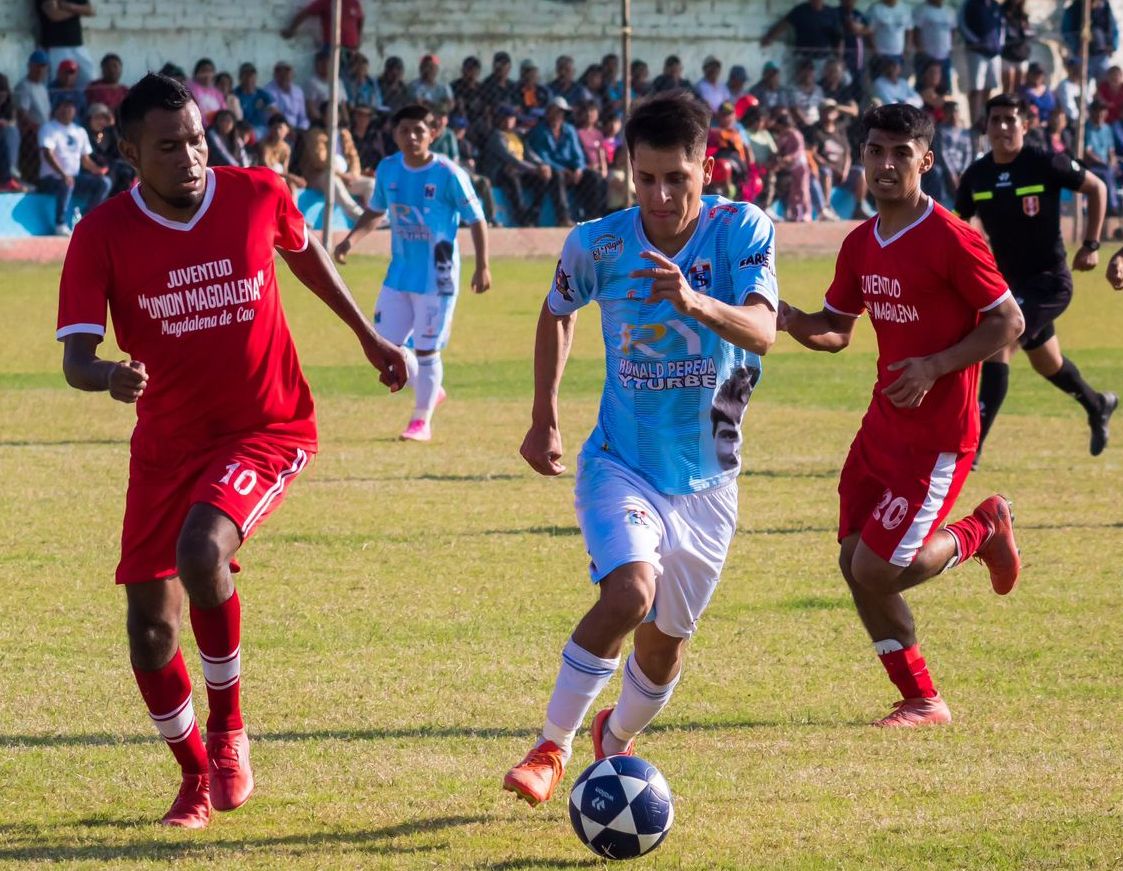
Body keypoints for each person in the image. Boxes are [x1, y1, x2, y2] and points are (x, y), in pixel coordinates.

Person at [55, 72, 406, 829]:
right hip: (166, 445)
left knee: (201, 549)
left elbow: (305, 256)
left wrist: (368, 336)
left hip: (266, 426)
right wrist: (108, 375)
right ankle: (192, 776)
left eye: (196, 140)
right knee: (149, 628)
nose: (189, 157)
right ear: (128, 153)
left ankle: (228, 730)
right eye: (168, 146)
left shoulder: (254, 192)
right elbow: (76, 356)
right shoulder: (100, 235)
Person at [501, 90, 778, 806]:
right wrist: (543, 415)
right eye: (644, 177)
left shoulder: (741, 229)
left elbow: (761, 330)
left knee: (663, 649)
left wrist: (692, 303)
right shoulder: (598, 242)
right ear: (627, 168)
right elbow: (556, 311)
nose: (658, 195)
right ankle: (550, 746)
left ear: (705, 167)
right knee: (628, 592)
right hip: (619, 463)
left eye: (674, 179)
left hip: (710, 481)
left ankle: (613, 741)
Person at [779, 103, 1026, 728]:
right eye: (875, 152)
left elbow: (1008, 321)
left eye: (900, 153)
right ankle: (921, 699)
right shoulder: (861, 242)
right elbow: (837, 330)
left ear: (926, 160)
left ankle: (981, 531)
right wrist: (783, 317)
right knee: (853, 562)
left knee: (878, 567)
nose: (886, 165)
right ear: (861, 157)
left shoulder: (952, 237)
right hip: (881, 428)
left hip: (939, 436)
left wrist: (934, 365)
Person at [956, 93, 1117, 461]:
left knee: (999, 342)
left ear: (1025, 125)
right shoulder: (976, 176)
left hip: (1050, 281)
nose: (1002, 127)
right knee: (1048, 363)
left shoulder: (1044, 162)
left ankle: (973, 447)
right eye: (995, 120)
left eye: (1010, 120)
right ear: (986, 127)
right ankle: (1097, 404)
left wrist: (1091, 244)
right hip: (1009, 287)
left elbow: (1097, 187)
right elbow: (957, 224)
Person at [333, 104, 491, 442]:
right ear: (395, 134)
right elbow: (375, 211)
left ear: (433, 134)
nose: (412, 137)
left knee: (426, 349)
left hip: (438, 277)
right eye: (404, 131)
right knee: (387, 344)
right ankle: (431, 389)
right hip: (399, 274)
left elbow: (476, 218)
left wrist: (482, 265)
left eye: (419, 130)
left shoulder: (448, 174)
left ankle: (422, 420)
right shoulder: (389, 169)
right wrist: (349, 241)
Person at [480, 103, 561, 227]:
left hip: (523, 170)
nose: (508, 121)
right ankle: (521, 215)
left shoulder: (518, 135)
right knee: (511, 172)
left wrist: (542, 165)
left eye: (511, 118)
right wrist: (534, 169)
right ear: (498, 119)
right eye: (504, 118)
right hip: (501, 173)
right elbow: (511, 159)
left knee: (549, 175)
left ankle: (534, 213)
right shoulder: (496, 136)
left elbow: (529, 154)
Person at [37, 97, 110, 235]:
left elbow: (85, 159)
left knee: (104, 183)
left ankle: (85, 220)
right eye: (64, 106)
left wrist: (97, 170)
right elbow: (47, 153)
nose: (68, 109)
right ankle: (60, 224)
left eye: (71, 106)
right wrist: (63, 174)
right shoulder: (48, 128)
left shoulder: (80, 131)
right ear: (57, 109)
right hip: (50, 179)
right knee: (67, 182)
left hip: (74, 178)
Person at [527, 96, 605, 222]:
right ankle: (563, 217)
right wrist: (563, 170)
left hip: (572, 170)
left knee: (593, 176)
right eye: (555, 111)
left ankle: (593, 217)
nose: (558, 115)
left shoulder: (569, 130)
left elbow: (577, 154)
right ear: (548, 112)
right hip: (554, 170)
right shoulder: (539, 131)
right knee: (557, 175)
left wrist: (579, 169)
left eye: (561, 112)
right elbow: (543, 157)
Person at [959, 0, 1006, 129]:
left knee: (990, 86)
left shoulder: (995, 5)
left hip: (994, 52)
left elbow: (1001, 26)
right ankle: (974, 121)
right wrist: (975, 41)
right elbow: (962, 24)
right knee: (976, 88)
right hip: (977, 51)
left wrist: (999, 44)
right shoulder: (970, 4)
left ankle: (985, 118)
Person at [760, 0, 843, 66]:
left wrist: (840, 58)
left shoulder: (832, 13)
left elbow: (838, 37)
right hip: (802, 58)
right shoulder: (800, 10)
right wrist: (769, 37)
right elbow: (784, 24)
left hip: (823, 58)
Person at [36, 0, 96, 87]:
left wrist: (68, 6)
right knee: (58, 85)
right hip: (55, 46)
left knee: (90, 81)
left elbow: (91, 10)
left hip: (77, 45)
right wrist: (80, 11)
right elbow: (54, 14)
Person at [281, 0, 364, 58]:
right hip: (332, 48)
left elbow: (361, 19)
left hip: (351, 50)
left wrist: (358, 39)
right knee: (334, 79)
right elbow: (305, 13)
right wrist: (291, 29)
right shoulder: (327, 2)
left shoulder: (354, 2)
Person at [912, 0, 957, 89]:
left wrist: (951, 45)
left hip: (944, 56)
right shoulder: (921, 10)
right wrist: (920, 49)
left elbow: (953, 30)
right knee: (924, 88)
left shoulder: (949, 11)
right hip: (927, 57)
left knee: (944, 87)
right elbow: (915, 31)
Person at [234, 63, 278, 141]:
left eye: (252, 75)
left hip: (263, 128)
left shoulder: (262, 94)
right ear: (240, 78)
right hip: (244, 129)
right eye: (246, 75)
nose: (249, 78)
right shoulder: (235, 94)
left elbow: (275, 112)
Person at [1000, 0, 1035, 94]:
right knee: (1007, 84)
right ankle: (1005, 106)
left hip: (1021, 52)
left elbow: (1029, 32)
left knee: (1019, 85)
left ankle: (1017, 106)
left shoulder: (1023, 14)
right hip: (1007, 53)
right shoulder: (1003, 11)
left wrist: (1026, 31)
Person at [264, 61, 309, 132]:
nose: (284, 74)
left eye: (287, 71)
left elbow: (303, 117)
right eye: (280, 71)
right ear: (275, 74)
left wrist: (302, 129)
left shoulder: (298, 91)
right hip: (276, 128)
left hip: (296, 129)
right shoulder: (268, 90)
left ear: (293, 74)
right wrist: (290, 129)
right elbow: (275, 114)